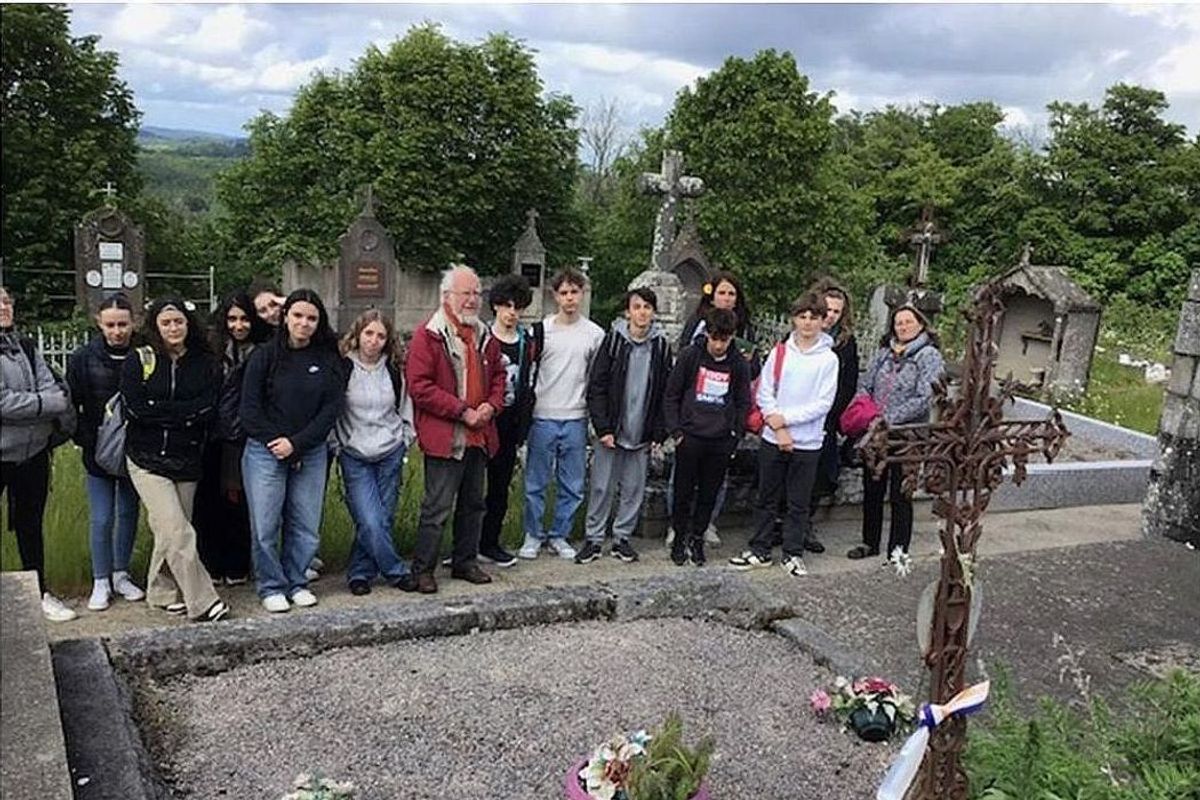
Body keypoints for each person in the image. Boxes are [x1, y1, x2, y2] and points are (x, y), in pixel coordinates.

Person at [121, 297, 229, 623]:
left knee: (170, 531)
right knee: (177, 529)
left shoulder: (205, 362)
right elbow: (136, 408)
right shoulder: (139, 360)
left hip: (186, 458)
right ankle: (203, 601)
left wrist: (164, 413)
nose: (172, 328)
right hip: (145, 458)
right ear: (155, 326)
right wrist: (181, 414)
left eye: (178, 321)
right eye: (166, 323)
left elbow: (208, 408)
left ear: (187, 324)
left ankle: (161, 591)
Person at [240, 289, 345, 612]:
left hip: (310, 451)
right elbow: (250, 410)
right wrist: (280, 443)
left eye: (311, 318)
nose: (304, 323)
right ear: (285, 317)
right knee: (266, 524)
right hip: (264, 451)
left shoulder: (328, 360)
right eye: (298, 316)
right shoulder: (263, 356)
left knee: (305, 523)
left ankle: (296, 580)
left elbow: (331, 410)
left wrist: (297, 444)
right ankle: (271, 585)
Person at [405, 265, 506, 593]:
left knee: (474, 504)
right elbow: (419, 386)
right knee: (437, 507)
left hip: (479, 435)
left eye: (477, 293)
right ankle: (423, 569)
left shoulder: (485, 335)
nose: (473, 300)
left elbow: (500, 378)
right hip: (446, 436)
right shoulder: (429, 334)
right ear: (447, 296)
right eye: (466, 293)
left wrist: (491, 405)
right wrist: (463, 411)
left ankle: (465, 562)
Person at [729, 291, 839, 577]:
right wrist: (778, 428)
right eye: (802, 317)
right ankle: (760, 548)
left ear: (821, 321)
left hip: (808, 441)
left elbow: (822, 403)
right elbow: (765, 392)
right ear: (794, 320)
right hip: (773, 438)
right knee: (766, 496)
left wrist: (786, 421)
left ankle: (792, 552)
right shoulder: (780, 352)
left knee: (798, 502)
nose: (807, 323)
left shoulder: (828, 360)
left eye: (813, 318)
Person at [576, 288, 671, 565]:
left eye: (647, 308)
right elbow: (597, 386)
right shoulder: (614, 342)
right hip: (613, 430)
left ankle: (622, 538)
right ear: (627, 312)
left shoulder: (661, 347)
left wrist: (658, 431)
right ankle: (593, 539)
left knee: (633, 488)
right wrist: (603, 427)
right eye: (637, 307)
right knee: (601, 487)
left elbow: (666, 391)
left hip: (641, 430)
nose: (642, 313)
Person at [0, 286, 78, 622]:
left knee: (31, 525)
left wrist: (41, 403)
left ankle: (39, 591)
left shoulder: (26, 347)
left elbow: (55, 389)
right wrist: (43, 405)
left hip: (33, 452)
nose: (4, 306)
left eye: (6, 300)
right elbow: (2, 403)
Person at [66, 292, 146, 611]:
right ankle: (100, 579)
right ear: (99, 323)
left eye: (123, 324)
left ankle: (120, 573)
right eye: (110, 325)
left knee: (128, 513)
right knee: (101, 517)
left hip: (135, 447)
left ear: (133, 322)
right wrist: (86, 439)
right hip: (97, 449)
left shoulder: (145, 354)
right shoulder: (83, 358)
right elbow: (73, 403)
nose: (117, 331)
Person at [668, 270, 760, 547]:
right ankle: (678, 528)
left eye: (732, 293)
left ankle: (704, 527)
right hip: (692, 424)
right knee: (681, 483)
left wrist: (736, 431)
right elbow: (678, 381)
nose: (727, 298)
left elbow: (749, 380)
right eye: (722, 292)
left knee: (713, 485)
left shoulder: (745, 330)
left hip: (721, 426)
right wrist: (677, 429)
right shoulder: (696, 328)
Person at [518, 268, 605, 561]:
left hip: (576, 417)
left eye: (574, 292)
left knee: (573, 484)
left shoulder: (595, 334)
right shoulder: (540, 331)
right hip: (543, 415)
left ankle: (559, 534)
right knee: (536, 482)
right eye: (564, 293)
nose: (569, 298)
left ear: (582, 294)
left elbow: (597, 378)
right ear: (555, 296)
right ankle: (533, 533)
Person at [847, 305, 945, 562]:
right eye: (898, 323)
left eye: (908, 322)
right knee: (873, 487)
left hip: (907, 436)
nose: (902, 327)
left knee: (901, 493)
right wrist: (868, 413)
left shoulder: (928, 356)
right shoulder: (884, 354)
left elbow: (926, 396)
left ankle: (898, 550)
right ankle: (870, 542)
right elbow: (865, 385)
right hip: (876, 433)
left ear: (921, 325)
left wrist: (888, 419)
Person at [336, 309, 417, 595]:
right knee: (369, 519)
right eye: (369, 333)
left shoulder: (394, 368)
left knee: (382, 519)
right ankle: (396, 571)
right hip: (355, 453)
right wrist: (338, 444)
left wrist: (406, 437)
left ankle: (360, 573)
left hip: (390, 451)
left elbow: (406, 404)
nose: (374, 340)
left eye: (381, 335)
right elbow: (333, 410)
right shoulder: (343, 367)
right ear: (357, 335)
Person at [193, 291, 272, 586]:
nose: (239, 326)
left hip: (244, 436)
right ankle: (211, 563)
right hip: (211, 435)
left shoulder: (263, 350)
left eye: (244, 319)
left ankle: (238, 564)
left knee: (238, 503)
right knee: (208, 503)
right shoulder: (212, 350)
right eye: (233, 319)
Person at [479, 275, 537, 567]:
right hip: (484, 420)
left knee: (500, 488)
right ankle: (466, 544)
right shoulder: (483, 337)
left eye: (518, 307)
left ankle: (490, 542)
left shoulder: (527, 342)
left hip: (511, 422)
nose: (512, 312)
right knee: (473, 488)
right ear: (496, 307)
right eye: (506, 306)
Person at [804, 279, 859, 553]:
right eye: (827, 308)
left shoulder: (846, 343)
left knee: (817, 474)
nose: (831, 315)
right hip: (798, 414)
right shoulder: (803, 331)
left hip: (826, 418)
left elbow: (848, 384)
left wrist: (830, 410)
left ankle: (806, 524)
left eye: (837, 311)